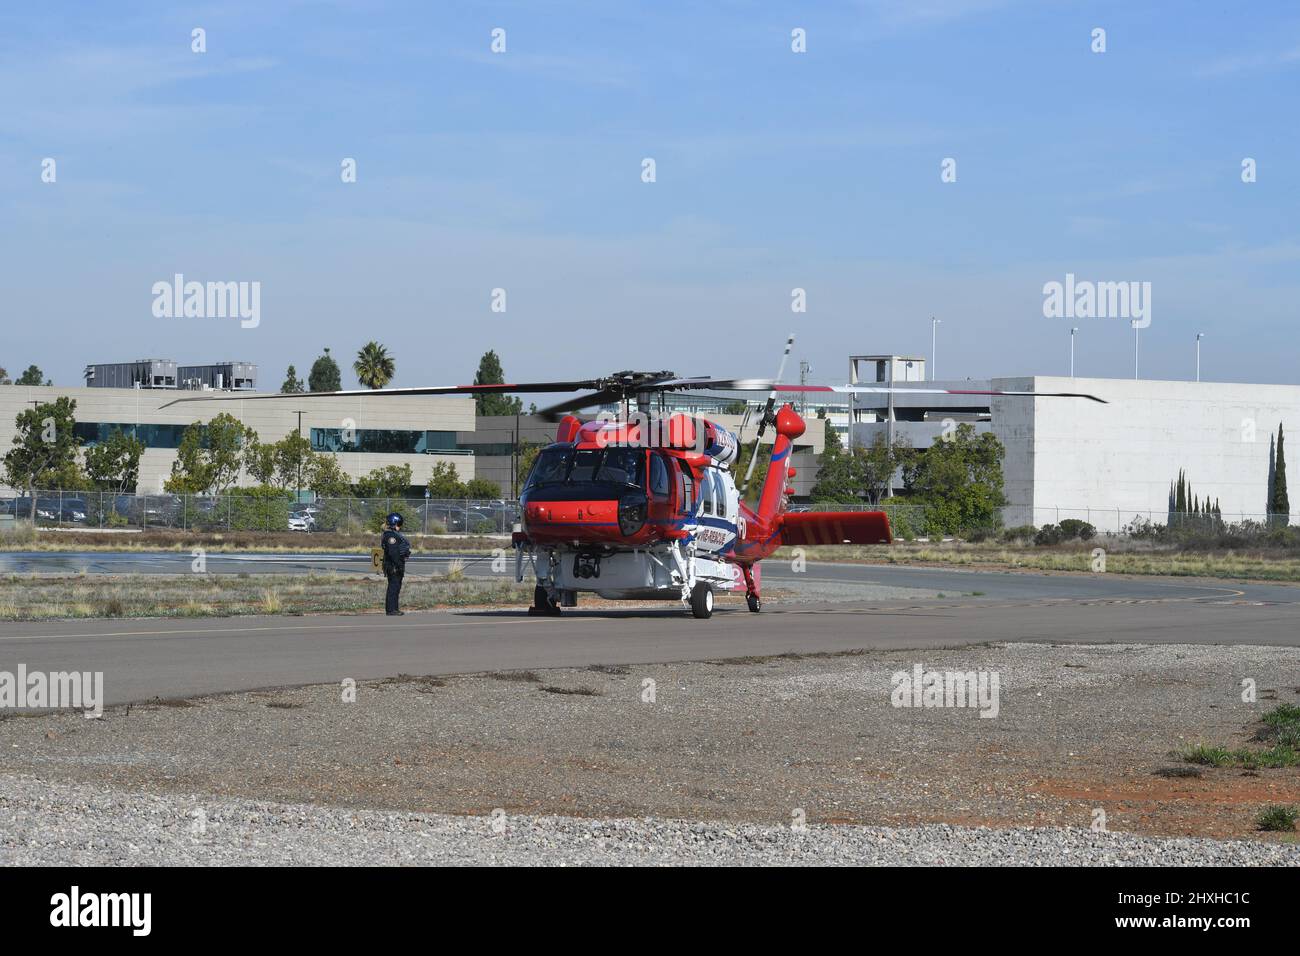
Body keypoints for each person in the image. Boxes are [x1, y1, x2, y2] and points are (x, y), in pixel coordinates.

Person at [380, 512, 411, 615]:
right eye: (398, 524)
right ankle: (391, 610)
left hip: (397, 565)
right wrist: (398, 564)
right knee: (393, 587)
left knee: (397, 587)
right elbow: (393, 553)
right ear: (394, 523)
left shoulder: (394, 535)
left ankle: (394, 608)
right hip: (393, 565)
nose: (399, 526)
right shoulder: (390, 536)